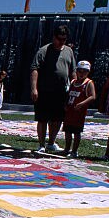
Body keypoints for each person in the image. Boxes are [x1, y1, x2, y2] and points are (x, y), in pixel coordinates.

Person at [30, 24, 77, 152]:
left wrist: (75, 87)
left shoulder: (69, 51)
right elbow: (35, 69)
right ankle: (41, 144)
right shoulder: (44, 50)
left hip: (61, 91)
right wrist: (34, 88)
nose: (61, 42)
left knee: (57, 119)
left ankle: (51, 142)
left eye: (64, 39)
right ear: (54, 37)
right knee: (42, 118)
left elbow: (73, 71)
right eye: (59, 39)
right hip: (44, 90)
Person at [60, 60, 96, 158]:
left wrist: (82, 103)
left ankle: (74, 151)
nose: (82, 73)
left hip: (79, 112)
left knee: (76, 132)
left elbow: (92, 96)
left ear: (88, 72)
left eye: (85, 71)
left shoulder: (88, 83)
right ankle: (67, 149)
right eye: (80, 71)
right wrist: (65, 104)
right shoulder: (73, 82)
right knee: (67, 131)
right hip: (70, 111)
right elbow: (68, 95)